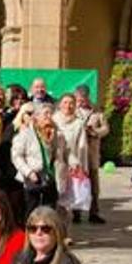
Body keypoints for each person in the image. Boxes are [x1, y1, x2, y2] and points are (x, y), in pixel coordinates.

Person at [12, 103, 69, 220]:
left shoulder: (56, 133)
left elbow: (60, 154)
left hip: (50, 176)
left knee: (50, 211)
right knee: (32, 211)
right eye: (45, 113)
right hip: (33, 177)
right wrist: (28, 172)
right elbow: (16, 156)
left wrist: (53, 139)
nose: (49, 116)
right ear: (36, 116)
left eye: (51, 113)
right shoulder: (25, 134)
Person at [74, 85, 109, 224]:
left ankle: (94, 213)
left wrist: (94, 132)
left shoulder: (97, 111)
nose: (81, 102)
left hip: (91, 152)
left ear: (88, 97)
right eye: (78, 99)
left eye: (83, 99)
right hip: (77, 153)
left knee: (94, 185)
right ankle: (76, 213)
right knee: (77, 183)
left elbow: (105, 128)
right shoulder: (72, 110)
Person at [52, 94, 89, 223]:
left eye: (71, 103)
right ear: (59, 104)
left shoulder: (79, 123)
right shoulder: (53, 120)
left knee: (66, 203)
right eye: (65, 102)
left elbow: (82, 147)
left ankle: (64, 230)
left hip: (72, 165)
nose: (68, 106)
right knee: (54, 199)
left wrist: (82, 168)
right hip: (55, 165)